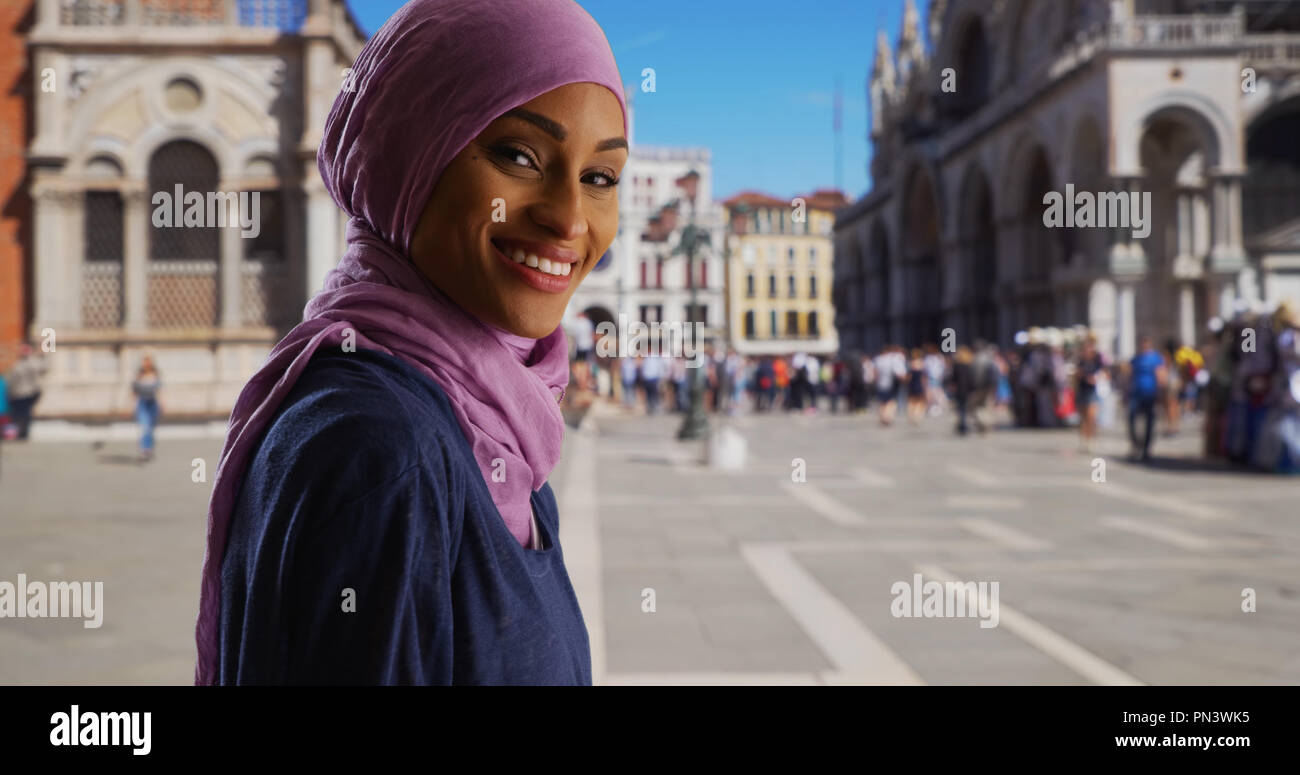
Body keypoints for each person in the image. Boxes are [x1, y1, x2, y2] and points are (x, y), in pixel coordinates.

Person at [196, 0, 629, 686]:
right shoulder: (385, 450)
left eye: (599, 177)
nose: (569, 217)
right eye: (520, 155)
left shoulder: (499, 430)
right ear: (408, 154)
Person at [1128, 334, 1167, 461]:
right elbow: (1130, 375)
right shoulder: (1136, 359)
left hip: (1150, 393)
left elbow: (1161, 375)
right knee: (1132, 419)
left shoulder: (1156, 358)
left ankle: (1146, 448)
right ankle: (1136, 445)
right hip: (1136, 393)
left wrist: (1161, 392)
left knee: (1149, 422)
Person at [4, 343, 47, 441]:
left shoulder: (18, 366)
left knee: (18, 415)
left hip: (19, 394)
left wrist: (9, 393)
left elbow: (12, 381)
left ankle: (21, 433)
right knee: (26, 414)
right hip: (31, 393)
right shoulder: (34, 363)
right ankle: (24, 432)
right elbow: (43, 369)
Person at [1075, 335, 1106, 453]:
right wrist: (1083, 376)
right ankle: (1084, 439)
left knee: (1091, 416)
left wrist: (1096, 378)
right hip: (1082, 389)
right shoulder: (1081, 360)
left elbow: (1104, 373)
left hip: (1093, 390)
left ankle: (1092, 438)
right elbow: (1077, 375)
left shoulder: (1097, 359)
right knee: (1083, 417)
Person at [132, 356, 162, 462]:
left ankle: (149, 448)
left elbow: (158, 391)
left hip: (153, 403)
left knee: (151, 428)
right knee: (144, 427)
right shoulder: (139, 376)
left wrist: (162, 404)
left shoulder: (155, 374)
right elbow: (134, 391)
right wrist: (132, 404)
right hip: (143, 403)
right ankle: (145, 449)